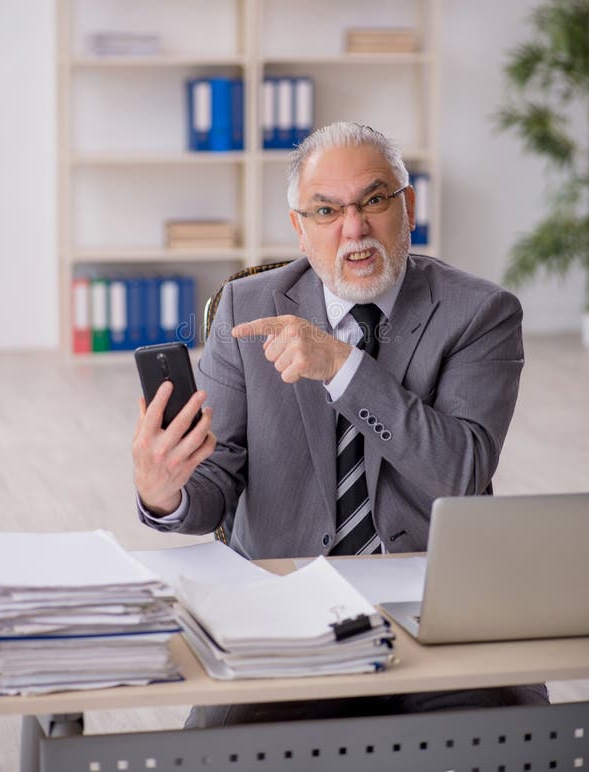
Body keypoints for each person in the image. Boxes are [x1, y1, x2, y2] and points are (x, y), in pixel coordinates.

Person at [132, 121, 548, 719]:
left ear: (407, 207)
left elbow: (462, 470)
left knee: (503, 725)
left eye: (374, 201)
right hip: (284, 613)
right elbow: (212, 490)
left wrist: (344, 368)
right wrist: (164, 492)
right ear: (300, 228)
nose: (354, 229)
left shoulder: (479, 313)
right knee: (221, 738)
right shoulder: (246, 309)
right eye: (326, 210)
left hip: (433, 608)